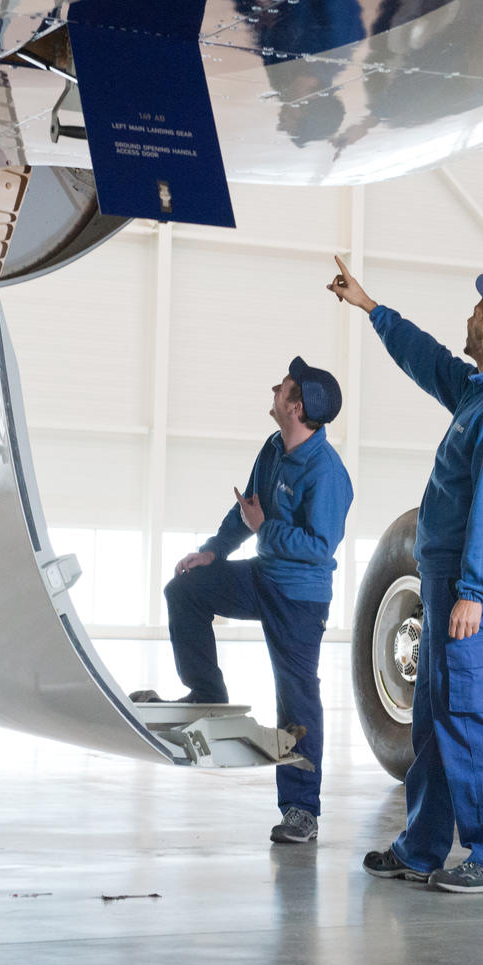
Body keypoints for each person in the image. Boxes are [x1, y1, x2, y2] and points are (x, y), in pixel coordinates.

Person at [327, 255, 483, 894]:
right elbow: (425, 360)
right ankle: (421, 847)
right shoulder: (482, 390)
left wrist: (475, 593)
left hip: (467, 586)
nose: (470, 315)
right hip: (445, 579)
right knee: (433, 719)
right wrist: (372, 309)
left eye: (479, 311)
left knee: (470, 716)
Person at [162, 357, 353, 844]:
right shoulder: (273, 447)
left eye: (284, 386)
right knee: (184, 589)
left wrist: (263, 528)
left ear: (297, 405)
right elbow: (246, 507)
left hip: (299, 598)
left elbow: (318, 546)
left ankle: (301, 810)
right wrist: (211, 552)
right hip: (261, 575)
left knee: (295, 698)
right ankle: (207, 692)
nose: (275, 386)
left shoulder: (328, 473)